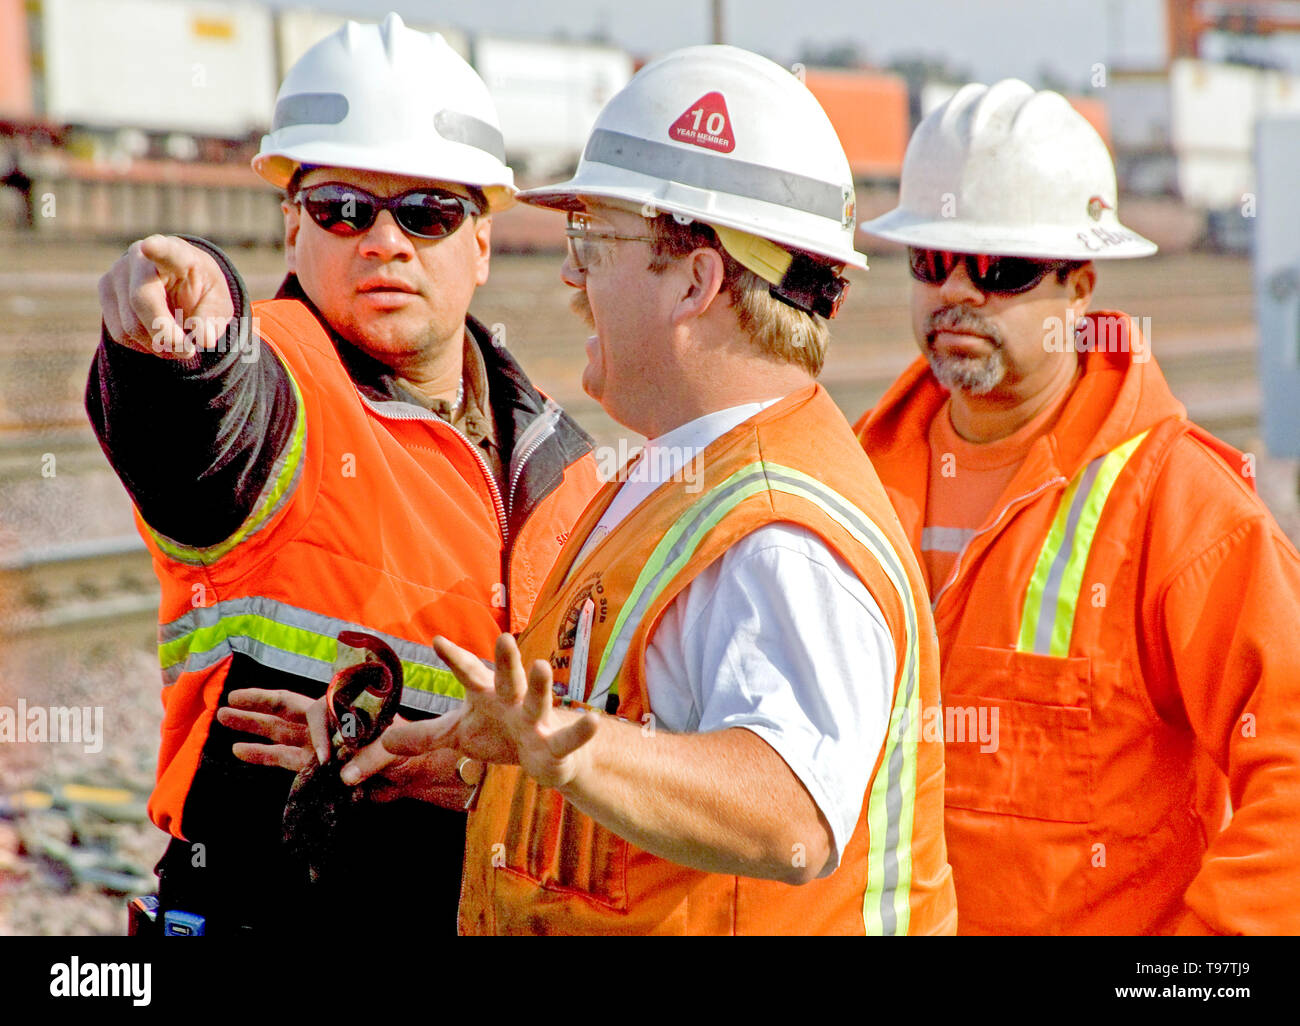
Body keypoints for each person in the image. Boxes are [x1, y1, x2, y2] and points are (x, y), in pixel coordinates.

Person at [371, 44, 956, 935]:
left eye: (593, 241)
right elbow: (629, 768)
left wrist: (565, 751)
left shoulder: (776, 532)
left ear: (696, 280)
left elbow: (791, 816)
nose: (572, 277)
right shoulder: (676, 478)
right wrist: (479, 759)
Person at [85, 14, 599, 933]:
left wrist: (483, 773)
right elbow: (205, 423)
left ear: (481, 242)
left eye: (429, 212)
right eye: (343, 208)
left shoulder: (565, 466)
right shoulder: (285, 384)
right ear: (292, 228)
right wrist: (179, 349)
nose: (386, 241)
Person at [854, 79, 1300, 934]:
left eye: (1001, 270)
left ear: (1080, 288)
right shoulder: (848, 477)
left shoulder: (1181, 510)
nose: (957, 292)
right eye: (930, 262)